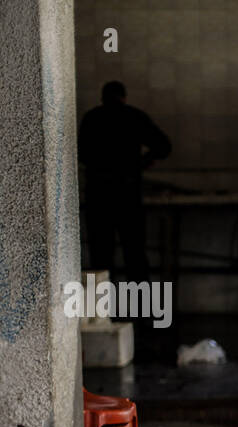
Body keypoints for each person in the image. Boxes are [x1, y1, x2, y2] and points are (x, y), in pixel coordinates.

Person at [77, 81, 171, 355]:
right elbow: (165, 146)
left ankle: (102, 317)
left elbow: (81, 153)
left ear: (102, 97)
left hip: (98, 197)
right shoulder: (134, 117)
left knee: (101, 260)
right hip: (128, 196)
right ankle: (145, 318)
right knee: (136, 257)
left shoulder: (92, 119)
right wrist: (141, 162)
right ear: (124, 97)